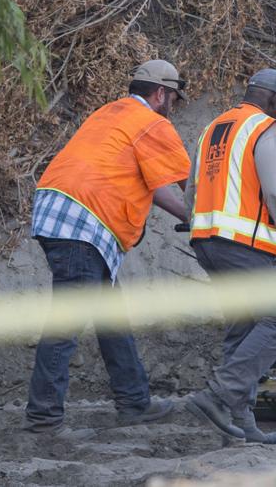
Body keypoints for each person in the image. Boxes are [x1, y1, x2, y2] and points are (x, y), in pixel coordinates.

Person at [23, 59, 192, 434]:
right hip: (82, 223)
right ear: (161, 93)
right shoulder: (152, 123)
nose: (173, 107)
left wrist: (189, 215)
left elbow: (156, 187)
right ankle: (44, 416)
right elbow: (189, 184)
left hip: (60, 210)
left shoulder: (112, 113)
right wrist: (212, 216)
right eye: (174, 99)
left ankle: (134, 402)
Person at [184, 68, 276, 444]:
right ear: (274, 99)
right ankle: (219, 395)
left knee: (242, 327)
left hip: (208, 244)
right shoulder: (263, 129)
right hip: (245, 246)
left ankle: (239, 424)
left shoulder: (212, 129)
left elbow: (191, 192)